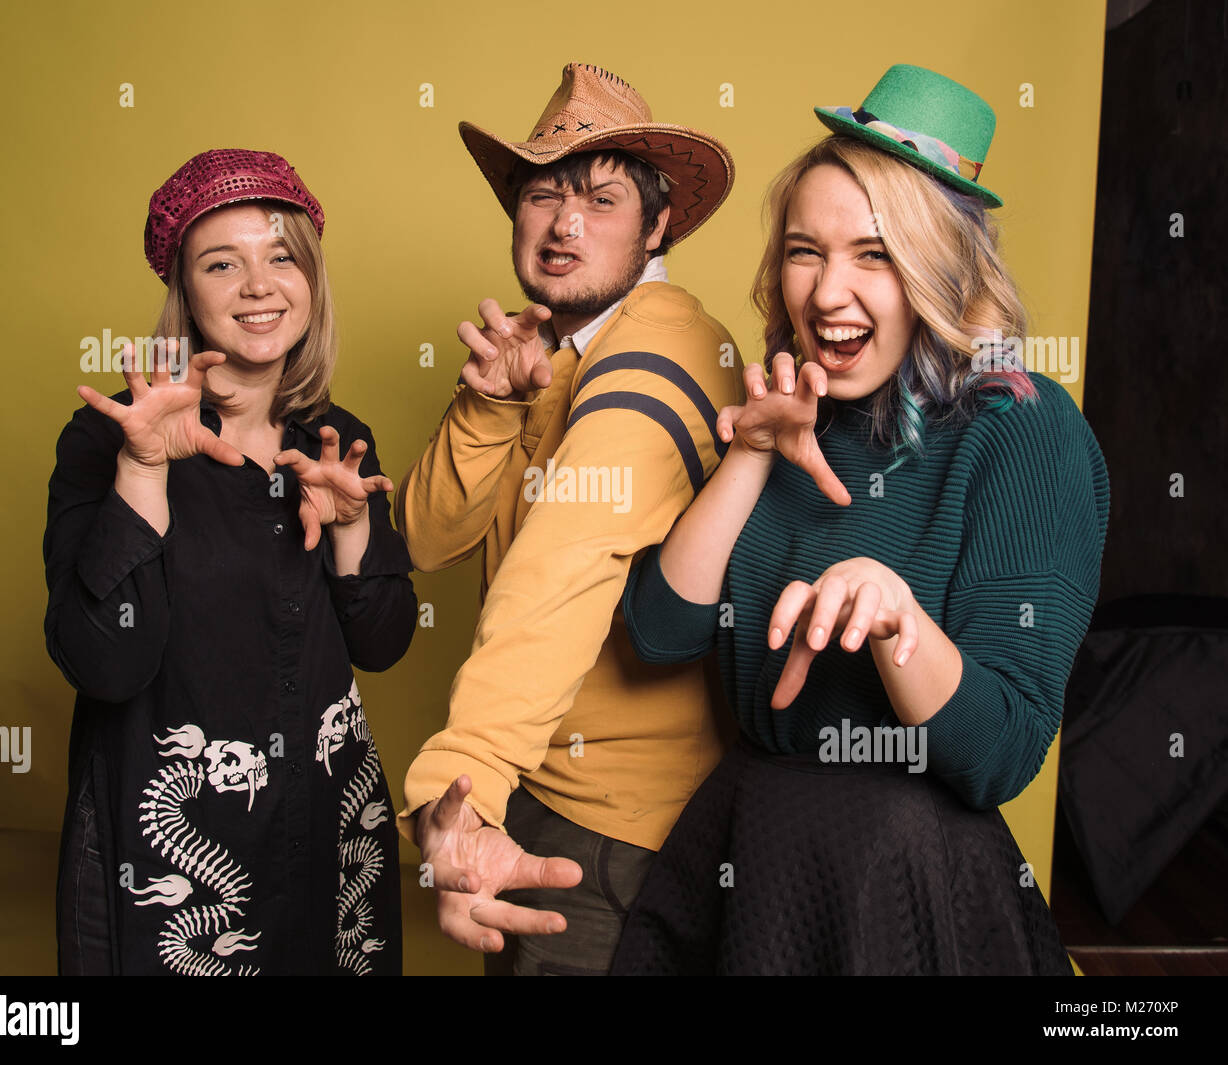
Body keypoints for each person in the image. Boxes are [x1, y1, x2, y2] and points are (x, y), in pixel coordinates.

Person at [610, 65, 1110, 975]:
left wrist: (897, 619)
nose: (828, 292)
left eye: (873, 254)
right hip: (749, 850)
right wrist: (752, 453)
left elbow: (1003, 750)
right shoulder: (796, 412)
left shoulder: (1024, 430)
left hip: (907, 880)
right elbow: (658, 634)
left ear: (940, 268)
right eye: (805, 250)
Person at [394, 62, 745, 975]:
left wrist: (456, 792)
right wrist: (489, 408)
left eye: (603, 198)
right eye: (543, 193)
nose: (565, 224)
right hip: (536, 792)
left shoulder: (657, 352)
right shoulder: (551, 345)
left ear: (659, 225)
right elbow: (425, 539)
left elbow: (561, 570)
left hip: (611, 835)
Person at [44, 149, 416, 975]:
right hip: (170, 865)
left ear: (310, 280)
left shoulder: (332, 437)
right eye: (223, 263)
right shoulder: (109, 439)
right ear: (184, 293)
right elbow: (104, 661)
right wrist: (144, 471)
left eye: (281, 256)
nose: (258, 285)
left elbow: (385, 644)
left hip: (328, 838)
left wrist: (353, 524)